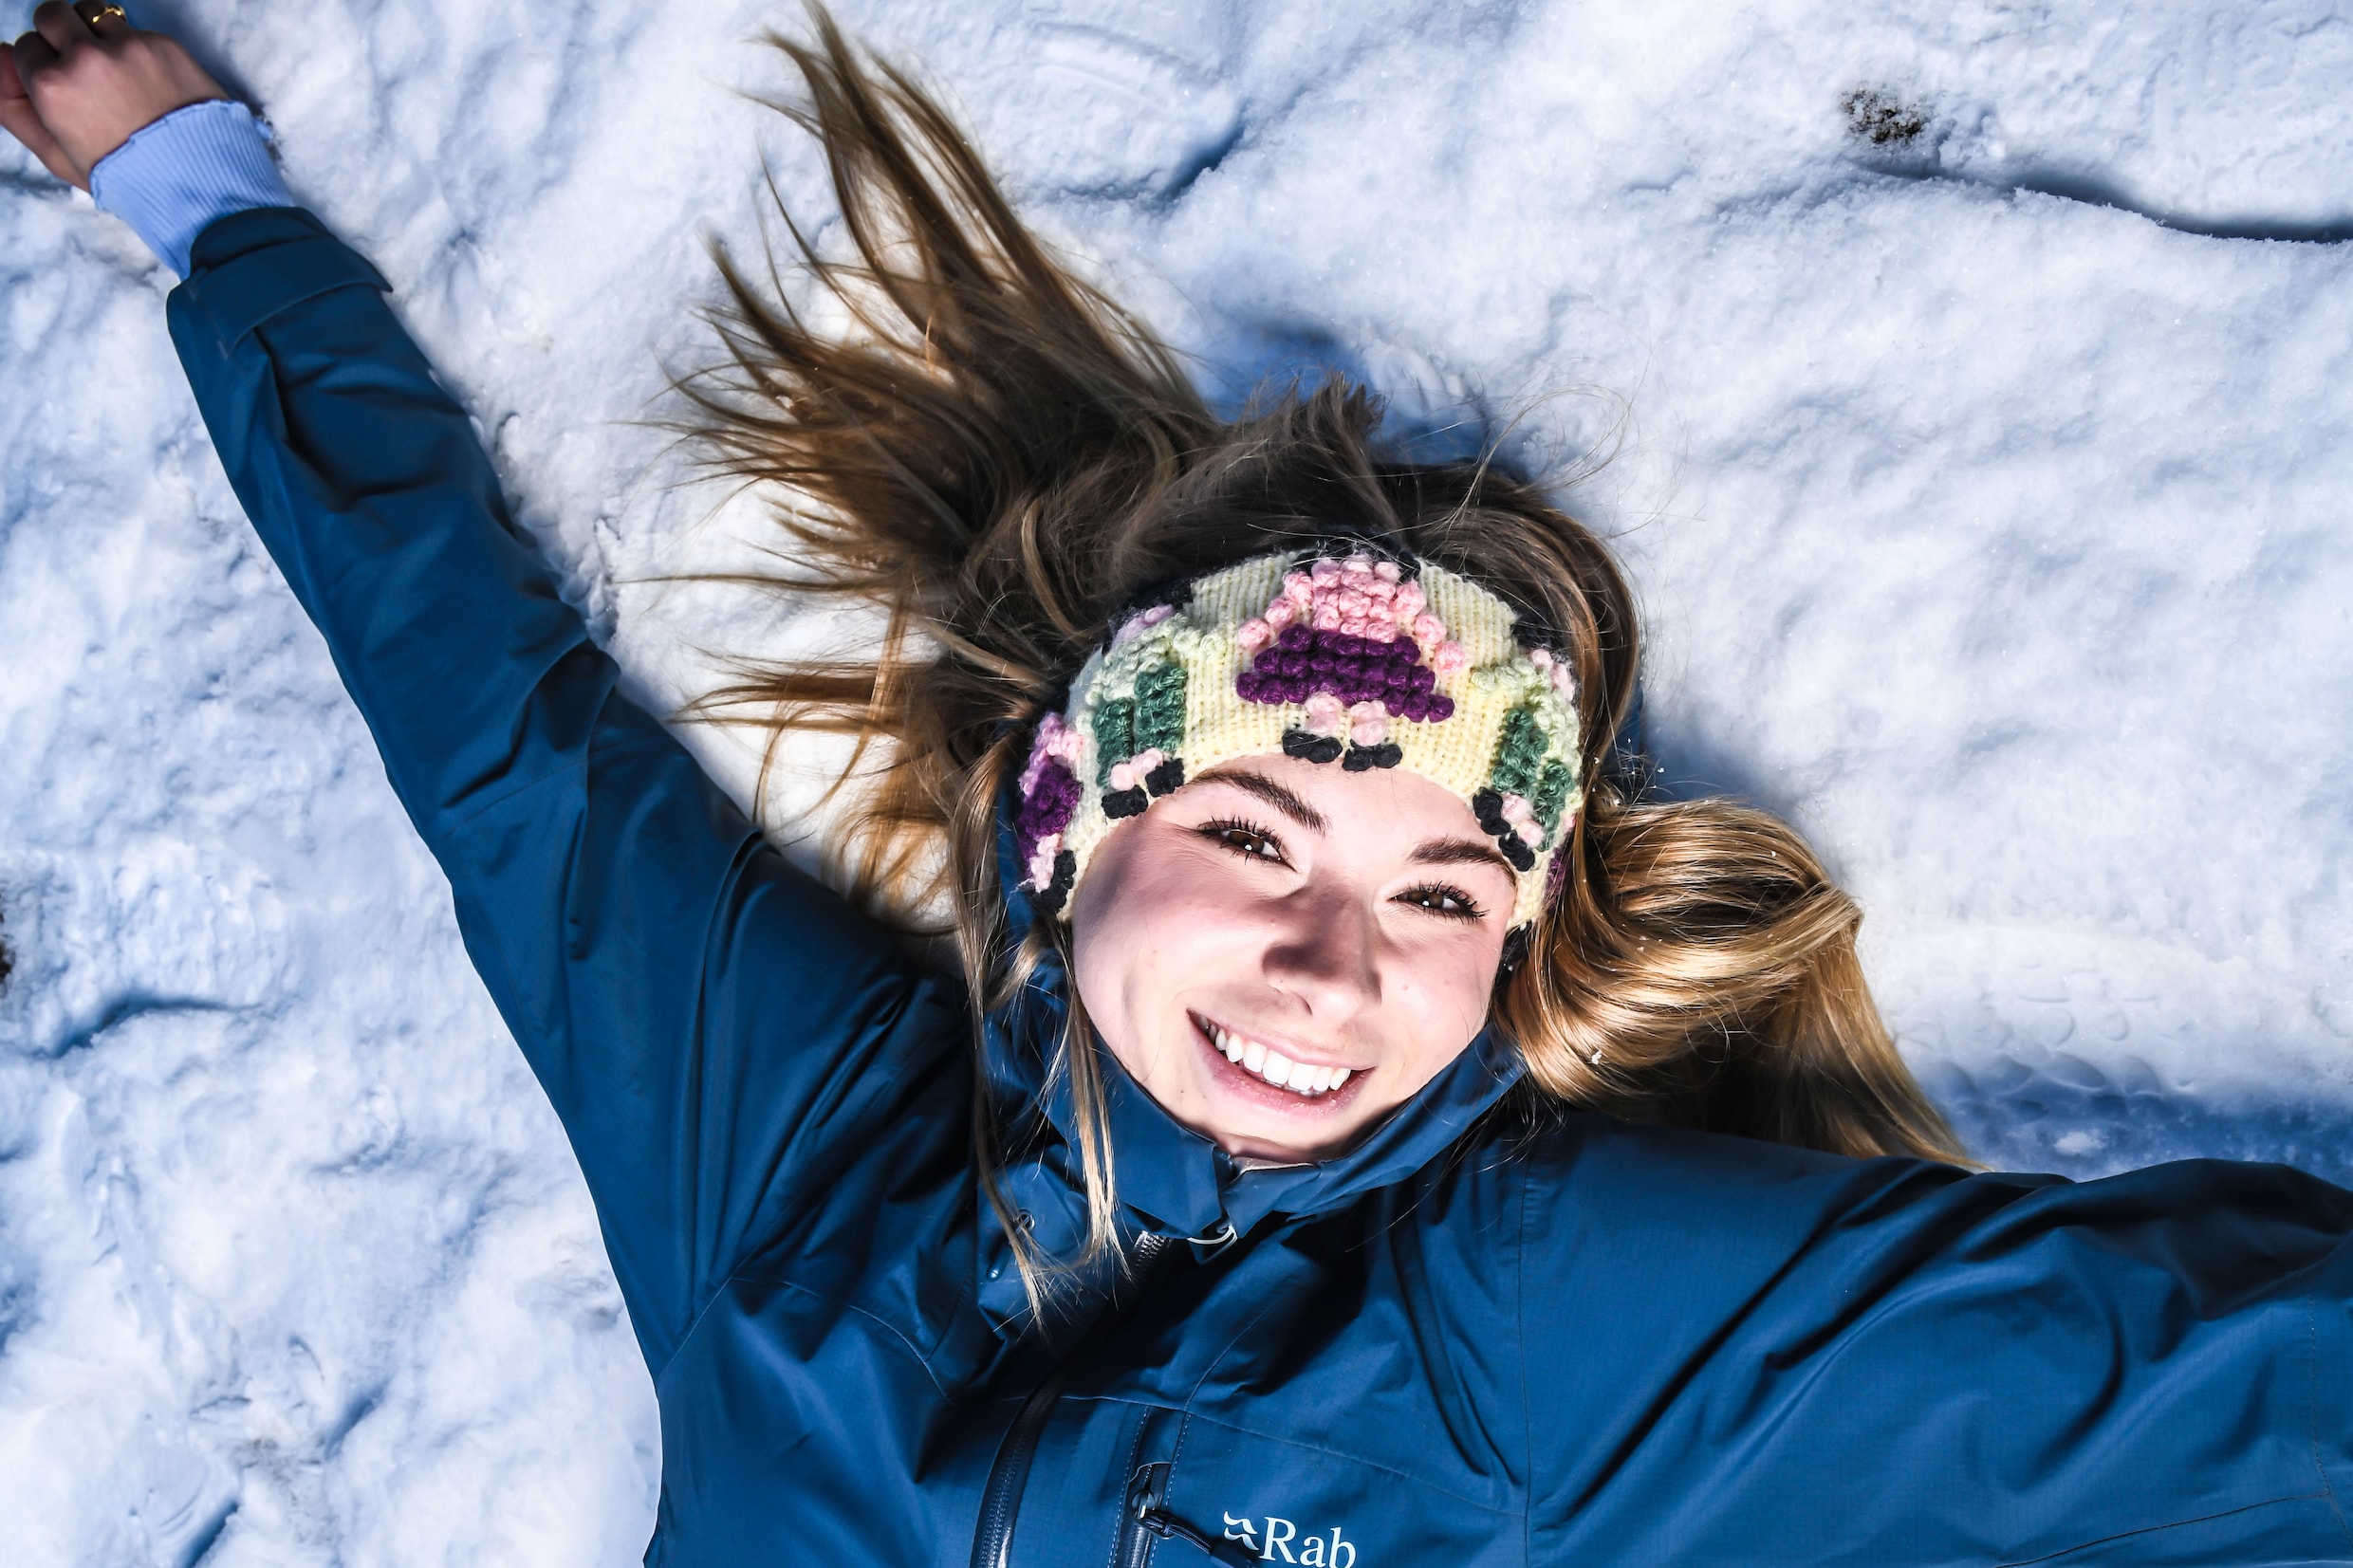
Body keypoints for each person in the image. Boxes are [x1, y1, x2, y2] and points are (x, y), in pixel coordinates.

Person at [11, 6, 2353, 1563]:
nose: (1334, 968)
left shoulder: (1519, 1305)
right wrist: (216, 220)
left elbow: (2154, 1365)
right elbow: (499, 734)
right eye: (1251, 834)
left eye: (1442, 890)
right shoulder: (790, 1153)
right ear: (1071, 830)